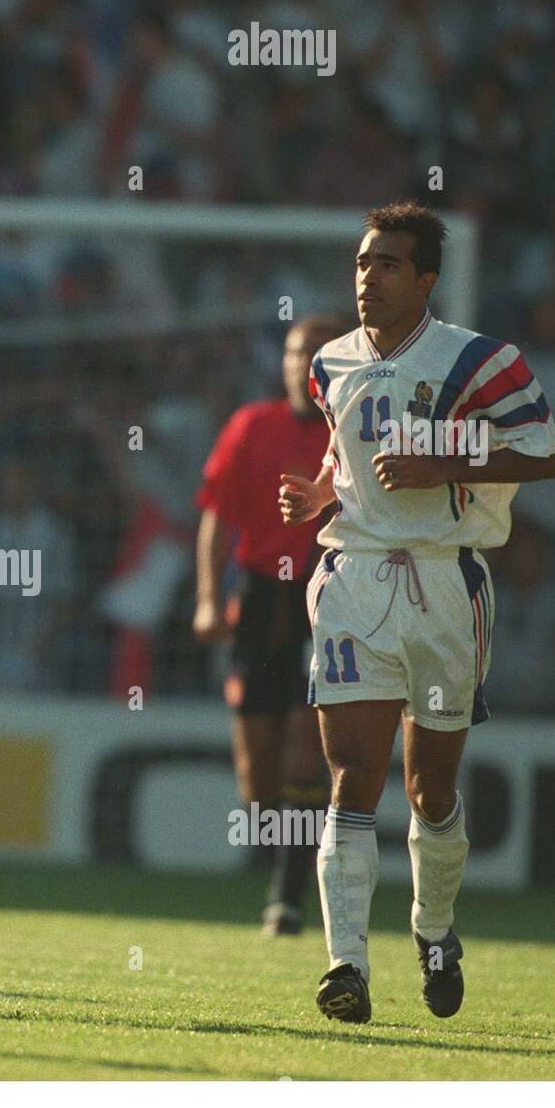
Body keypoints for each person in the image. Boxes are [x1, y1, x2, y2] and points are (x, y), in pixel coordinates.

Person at [279, 201, 555, 1024]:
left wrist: (446, 461)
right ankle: (346, 966)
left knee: (429, 788)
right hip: (355, 578)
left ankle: (434, 929)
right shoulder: (329, 363)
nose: (368, 279)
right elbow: (346, 455)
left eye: (388, 266)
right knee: (350, 778)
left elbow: (547, 453)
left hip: (446, 585)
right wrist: (320, 491)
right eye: (363, 263)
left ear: (426, 280)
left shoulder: (482, 360)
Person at [193, 317, 343, 936]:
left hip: (324, 590)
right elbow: (214, 518)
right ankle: (285, 861)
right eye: (291, 351)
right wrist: (207, 598)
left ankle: (288, 896)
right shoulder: (251, 425)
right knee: (258, 784)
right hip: (257, 600)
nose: (299, 362)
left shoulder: (348, 435)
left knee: (306, 751)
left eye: (311, 354)